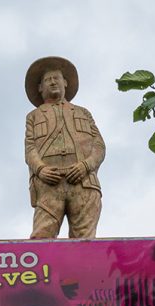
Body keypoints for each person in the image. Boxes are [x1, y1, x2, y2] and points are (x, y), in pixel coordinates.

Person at [25, 56, 106, 239]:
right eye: (47, 80)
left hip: (84, 183)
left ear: (65, 83)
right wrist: (41, 169)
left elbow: (99, 146)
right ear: (40, 87)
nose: (53, 82)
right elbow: (30, 148)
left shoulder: (83, 113)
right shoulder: (34, 116)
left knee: (84, 239)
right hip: (48, 185)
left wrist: (85, 166)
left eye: (57, 78)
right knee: (42, 236)